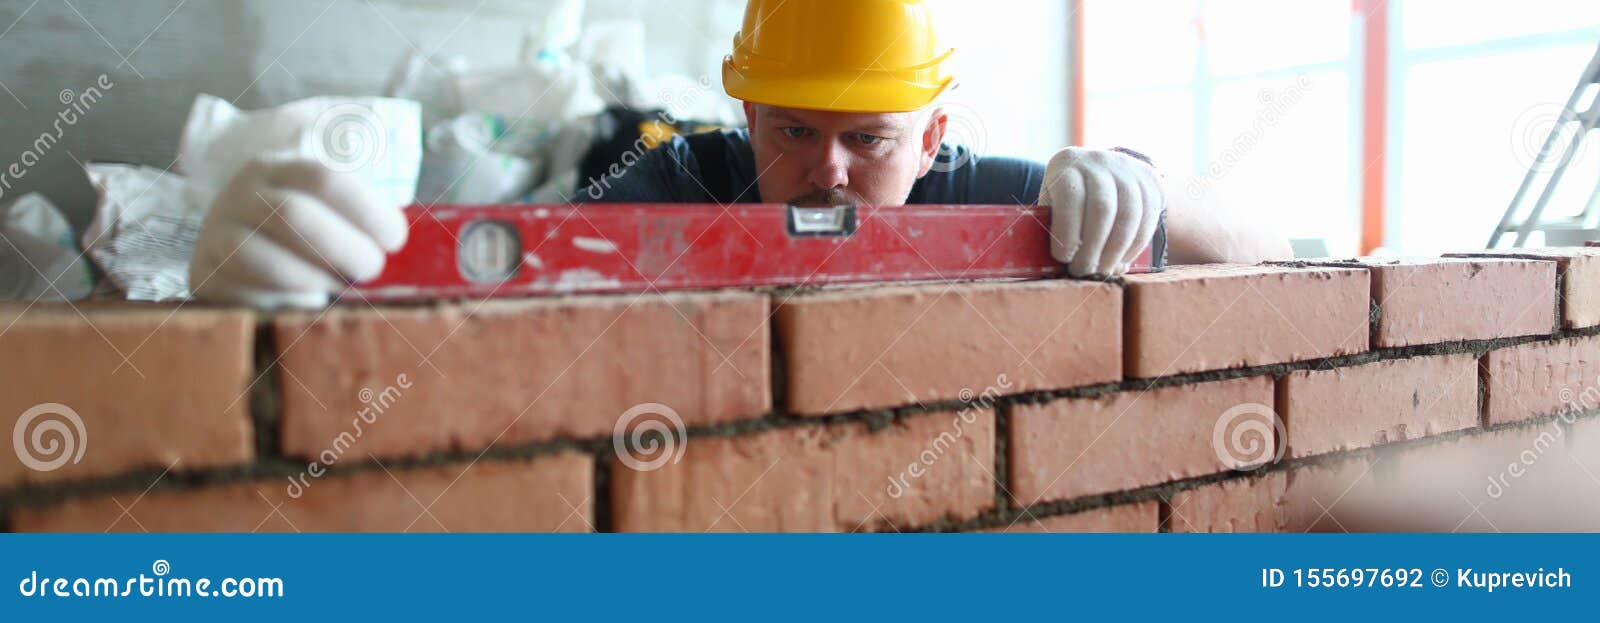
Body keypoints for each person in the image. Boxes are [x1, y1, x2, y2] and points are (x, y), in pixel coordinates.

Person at [189, 0, 1291, 309]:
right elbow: (513, 302)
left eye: (870, 141)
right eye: (791, 132)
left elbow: (1274, 249)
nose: (831, 174)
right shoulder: (667, 179)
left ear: (934, 137)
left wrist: (1141, 183)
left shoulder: (990, 194)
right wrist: (287, 269)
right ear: (746, 114)